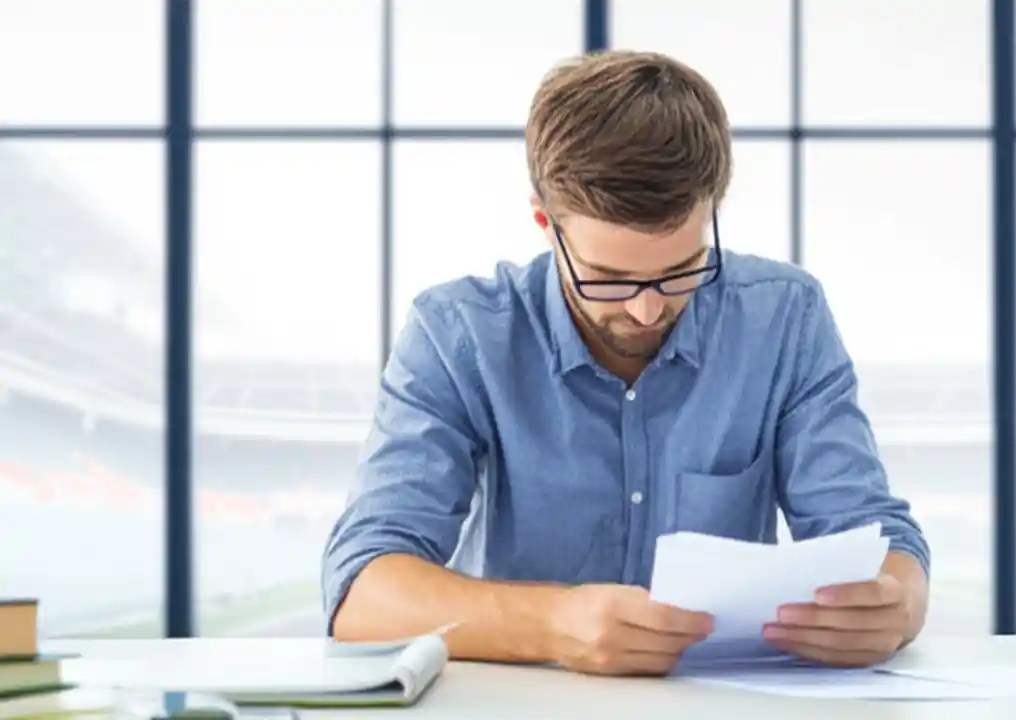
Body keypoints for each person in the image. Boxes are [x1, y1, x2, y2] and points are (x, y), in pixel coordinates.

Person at [322, 50, 930, 677]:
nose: (646, 310)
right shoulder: (457, 334)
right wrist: (554, 625)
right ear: (545, 221)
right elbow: (361, 591)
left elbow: (878, 539)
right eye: (608, 279)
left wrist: (898, 605)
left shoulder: (785, 318)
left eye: (680, 271)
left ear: (712, 209)